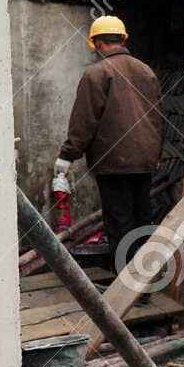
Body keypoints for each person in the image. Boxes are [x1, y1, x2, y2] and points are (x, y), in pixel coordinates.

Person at [54, 15, 164, 272]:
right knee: (142, 220)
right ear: (122, 39)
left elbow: (84, 120)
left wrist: (68, 155)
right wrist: (155, 154)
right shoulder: (146, 71)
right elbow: (158, 118)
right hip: (145, 161)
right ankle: (145, 281)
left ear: (98, 43)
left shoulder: (96, 73)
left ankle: (124, 282)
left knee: (119, 222)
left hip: (113, 164)